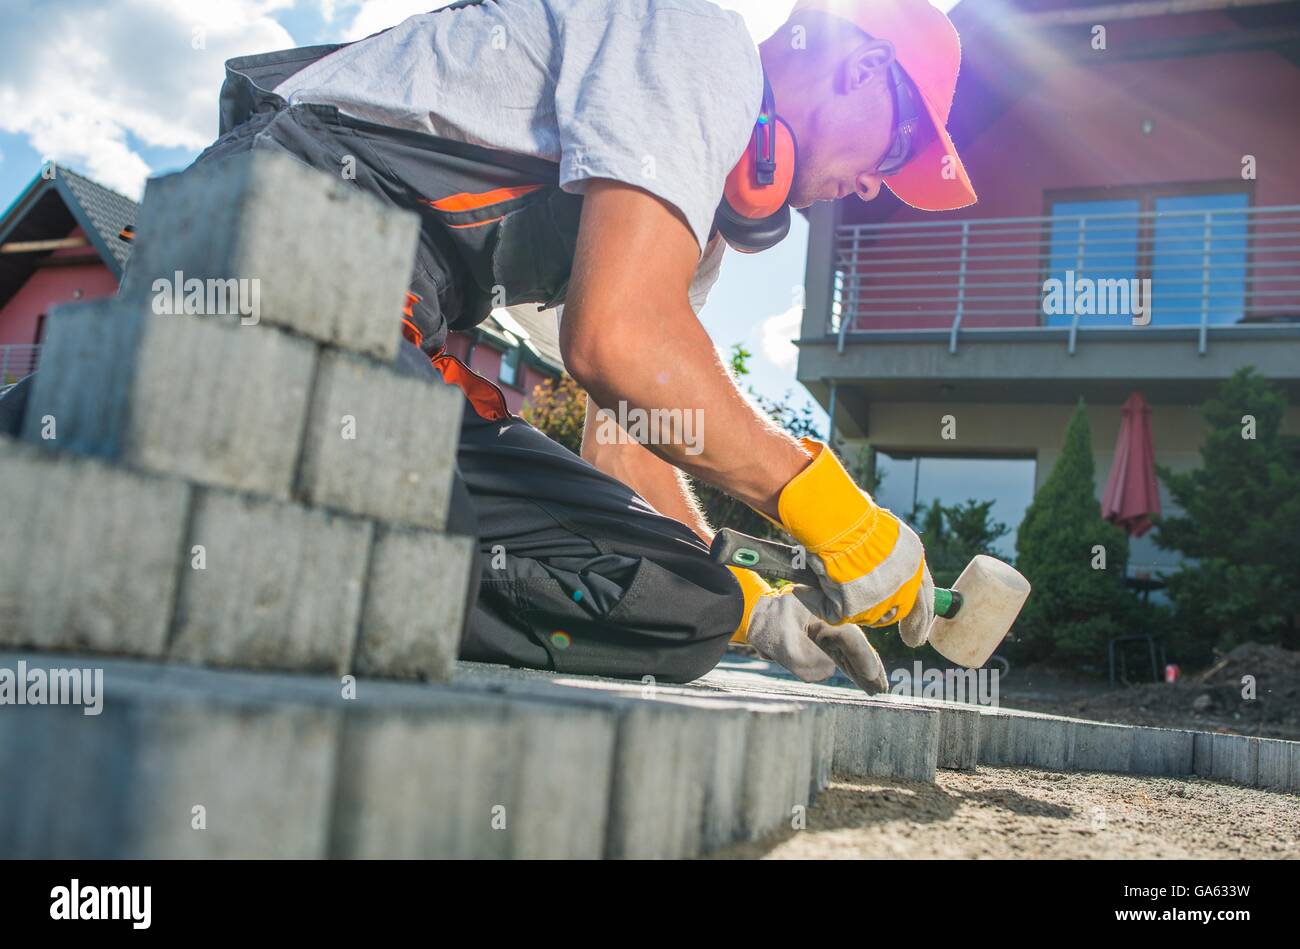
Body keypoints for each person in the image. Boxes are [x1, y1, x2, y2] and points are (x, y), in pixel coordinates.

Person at [11, 0, 979, 688]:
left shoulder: (688, 226)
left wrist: (758, 605)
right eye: (894, 151)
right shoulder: (702, 42)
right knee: (412, 539)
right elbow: (615, 335)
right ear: (859, 64)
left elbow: (625, 439)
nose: (873, 185)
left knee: (686, 606)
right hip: (285, 232)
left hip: (391, 337)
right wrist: (829, 506)